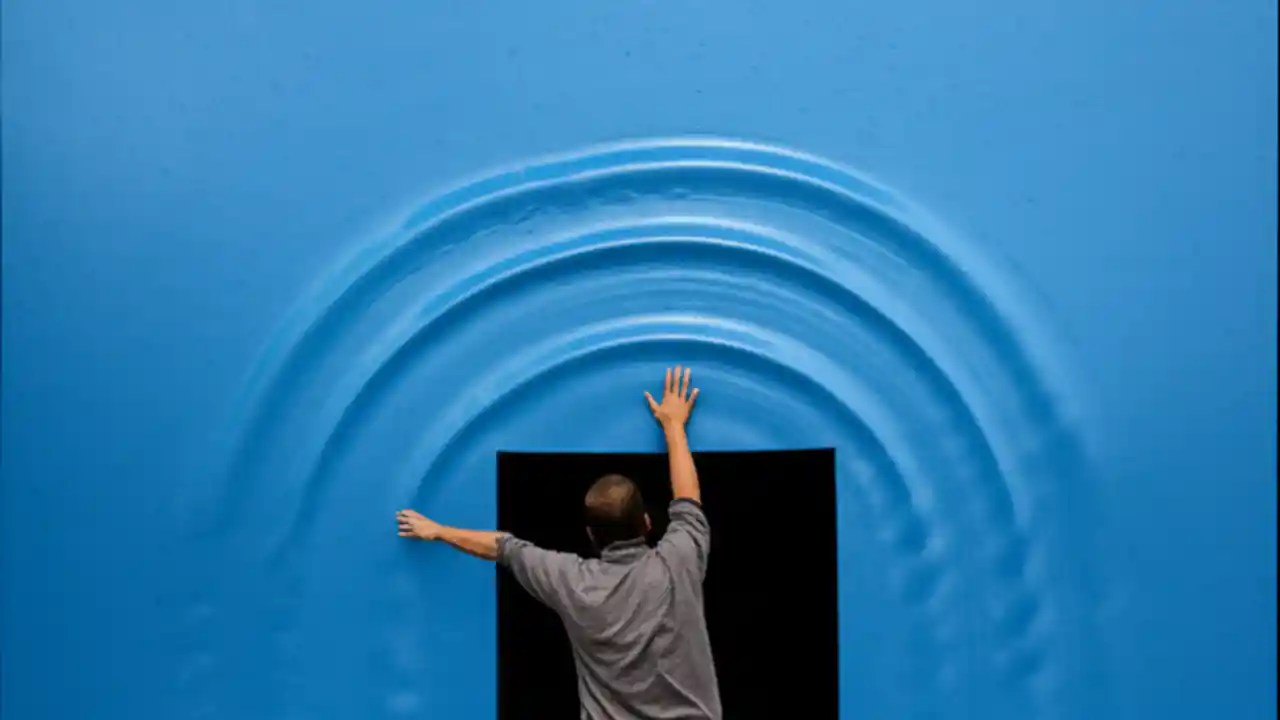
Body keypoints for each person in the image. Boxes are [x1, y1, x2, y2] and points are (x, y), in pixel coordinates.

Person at [396, 366, 721, 719]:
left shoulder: (571, 581)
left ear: (591, 535)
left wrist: (440, 530)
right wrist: (674, 426)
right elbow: (687, 498)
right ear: (646, 523)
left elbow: (503, 546)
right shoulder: (679, 559)